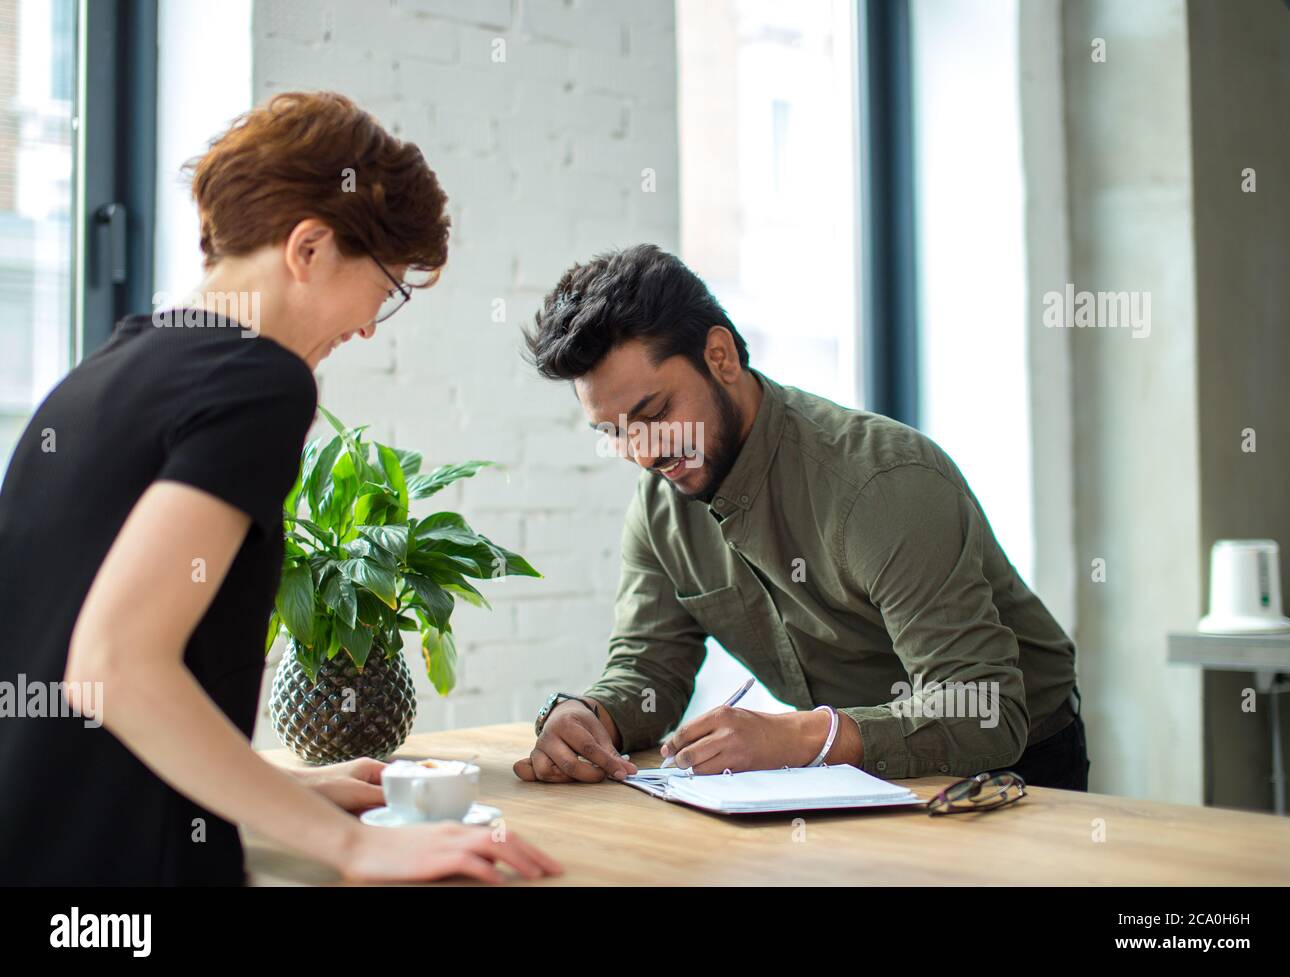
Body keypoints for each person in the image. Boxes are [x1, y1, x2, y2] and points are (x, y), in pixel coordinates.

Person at [0, 91, 560, 885]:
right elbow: (112, 665)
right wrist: (360, 846)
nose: (369, 327)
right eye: (388, 288)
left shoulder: (107, 370)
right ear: (309, 247)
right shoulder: (260, 381)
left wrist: (284, 788)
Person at [516, 244, 1089, 792]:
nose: (642, 454)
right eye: (614, 432)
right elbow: (648, 667)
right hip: (846, 775)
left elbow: (982, 709)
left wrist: (795, 736)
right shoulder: (660, 502)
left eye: (655, 413)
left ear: (721, 357)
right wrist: (589, 715)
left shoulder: (881, 483)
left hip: (1017, 766)